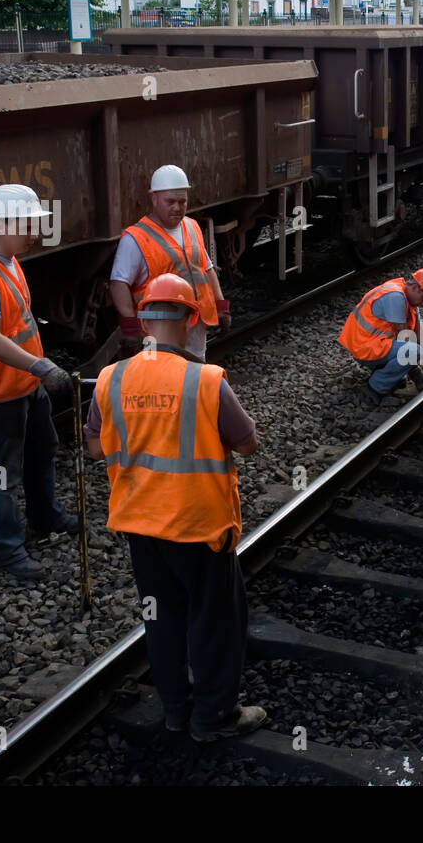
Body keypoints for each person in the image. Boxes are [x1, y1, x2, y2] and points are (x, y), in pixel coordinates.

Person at [85, 273, 266, 742]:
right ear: (189, 318)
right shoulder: (205, 380)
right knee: (214, 621)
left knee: (161, 619)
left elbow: (92, 447)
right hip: (198, 527)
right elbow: (246, 444)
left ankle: (174, 711)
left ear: (143, 319)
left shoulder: (111, 378)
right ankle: (213, 718)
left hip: (140, 526)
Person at [0, 184, 76, 581]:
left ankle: (46, 518)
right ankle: (5, 550)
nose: (34, 233)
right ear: (0, 223)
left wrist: (34, 372)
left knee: (43, 448)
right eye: (27, 225)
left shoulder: (8, 259)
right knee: (3, 471)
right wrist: (41, 367)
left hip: (22, 382)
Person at [109, 165, 232, 359]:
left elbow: (207, 269)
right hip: (160, 331)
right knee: (164, 382)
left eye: (182, 201)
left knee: (193, 378)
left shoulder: (192, 227)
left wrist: (221, 307)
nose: (177, 207)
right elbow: (118, 283)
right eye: (171, 201)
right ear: (154, 199)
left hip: (194, 325)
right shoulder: (135, 239)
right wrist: (131, 325)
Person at [339, 268, 423, 406]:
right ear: (415, 287)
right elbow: (403, 339)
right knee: (413, 351)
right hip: (365, 348)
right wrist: (416, 371)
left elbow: (420, 333)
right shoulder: (395, 297)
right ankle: (375, 387)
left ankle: (388, 369)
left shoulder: (407, 295)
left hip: (378, 342)